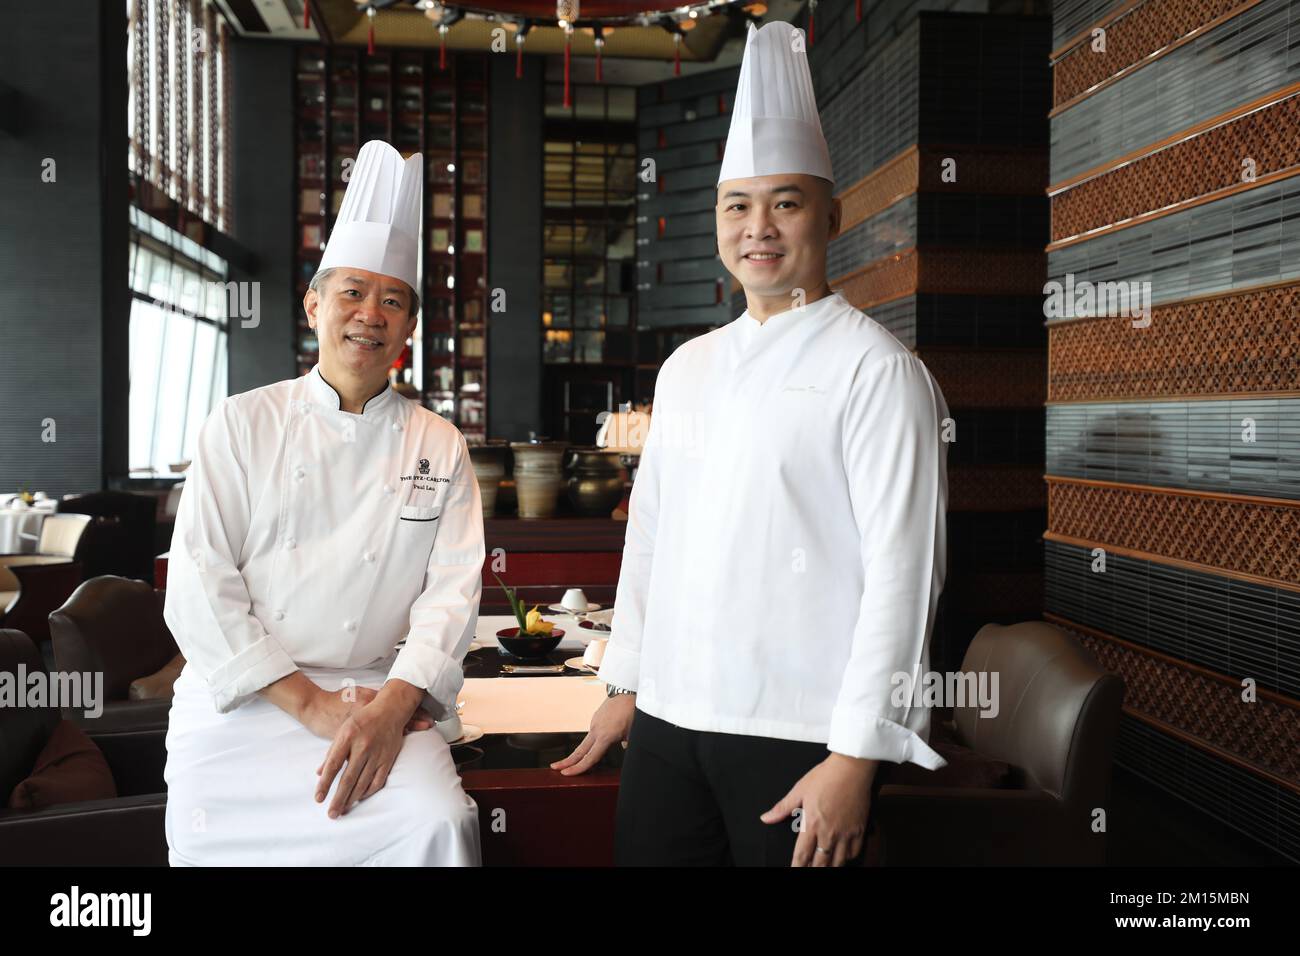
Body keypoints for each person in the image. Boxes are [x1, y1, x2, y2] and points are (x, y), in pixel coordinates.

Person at [553, 20, 951, 867]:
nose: (758, 227)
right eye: (738, 205)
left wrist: (857, 755)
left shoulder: (878, 371)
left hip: (799, 733)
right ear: (718, 221)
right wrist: (624, 684)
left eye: (786, 202)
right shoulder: (687, 368)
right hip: (667, 721)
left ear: (831, 214)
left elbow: (904, 575)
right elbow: (652, 536)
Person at [163, 140, 484, 866]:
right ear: (314, 304)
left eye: (393, 300)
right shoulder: (242, 423)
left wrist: (398, 705)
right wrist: (307, 704)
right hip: (245, 702)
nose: (370, 313)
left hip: (378, 697)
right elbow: (198, 588)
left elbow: (451, 598)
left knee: (441, 821)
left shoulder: (439, 443)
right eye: (351, 292)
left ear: (408, 329)